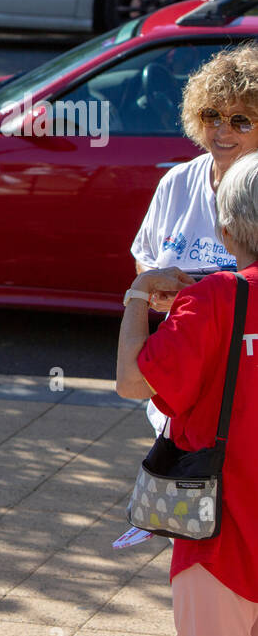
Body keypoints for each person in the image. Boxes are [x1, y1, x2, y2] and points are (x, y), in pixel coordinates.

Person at [116, 150, 258, 636]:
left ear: (225, 228)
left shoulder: (218, 300)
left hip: (220, 540)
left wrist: (138, 297)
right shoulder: (212, 302)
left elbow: (133, 382)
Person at [130, 44, 258, 433]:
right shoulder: (179, 181)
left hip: (244, 394)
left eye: (241, 120)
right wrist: (159, 288)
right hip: (179, 386)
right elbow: (147, 256)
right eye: (211, 115)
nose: (222, 130)